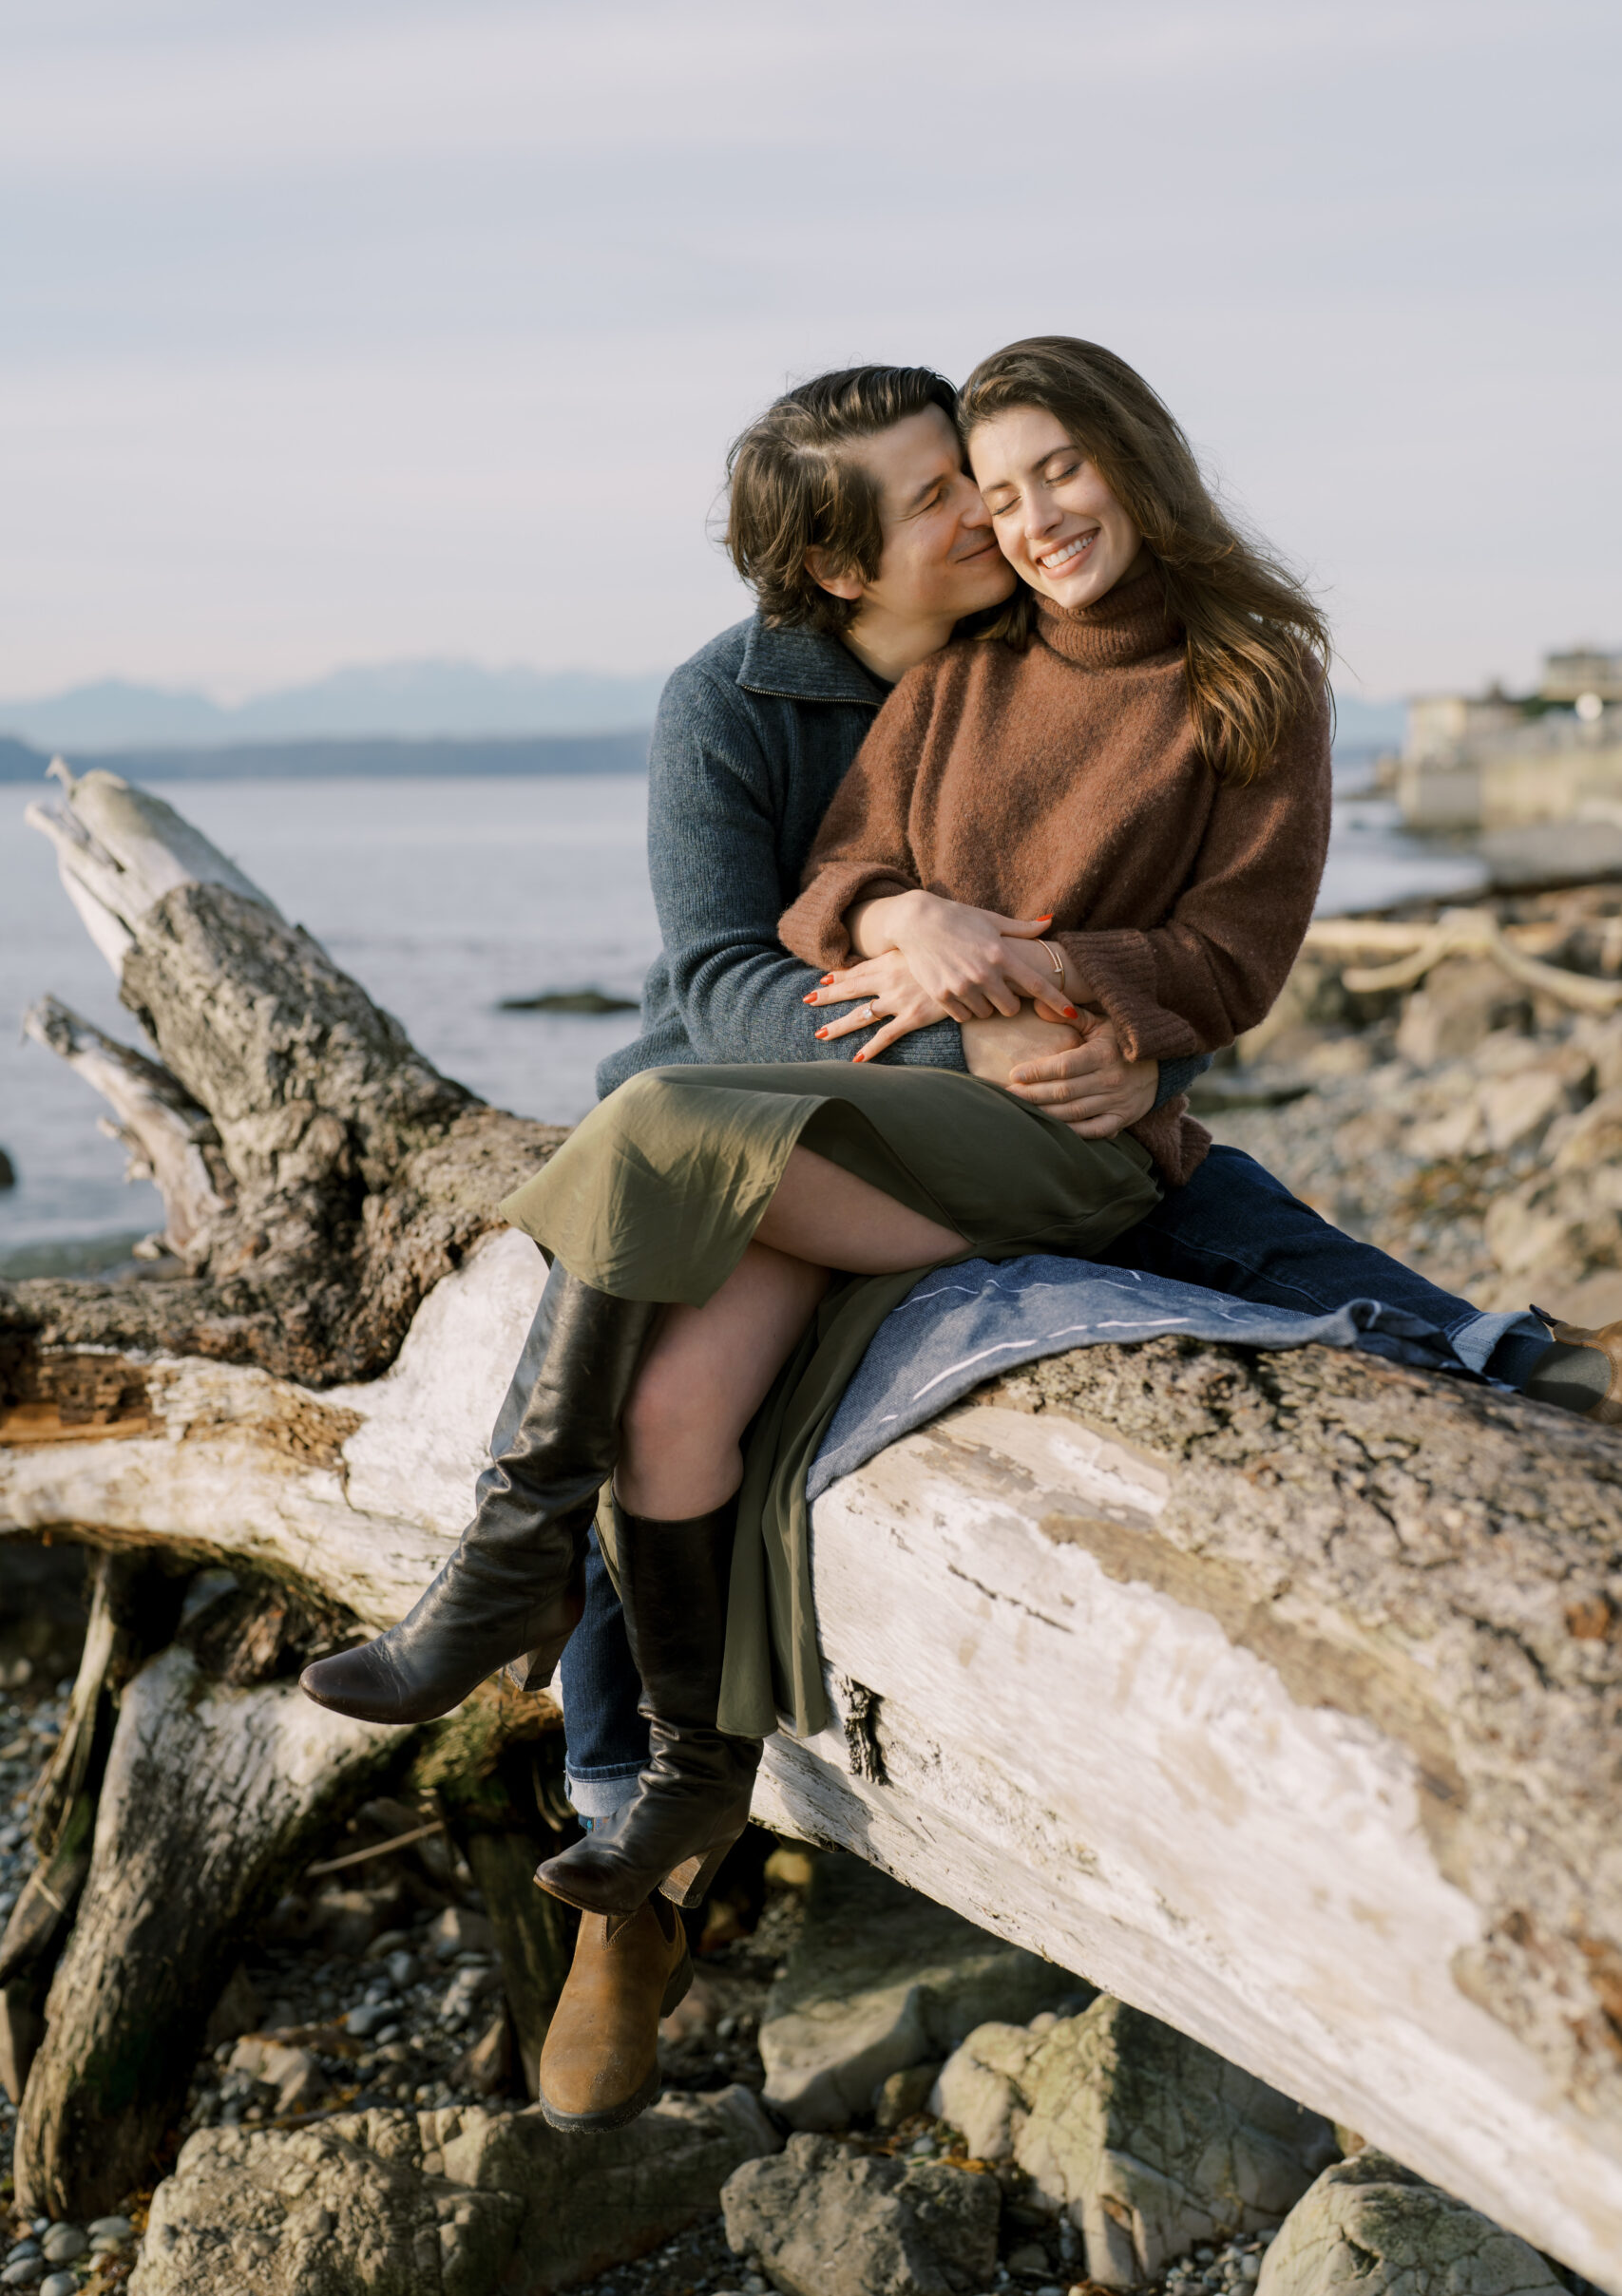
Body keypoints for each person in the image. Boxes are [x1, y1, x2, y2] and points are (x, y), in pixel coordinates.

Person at [301, 349, 1618, 2136]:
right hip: (851, 1109)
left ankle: (505, 1577)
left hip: (1036, 1124)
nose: (1011, 520)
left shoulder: (1246, 676)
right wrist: (911, 921)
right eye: (970, 499)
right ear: (855, 562)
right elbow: (755, 941)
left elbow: (1229, 964)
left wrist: (1062, 989)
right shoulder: (821, 696)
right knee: (677, 1416)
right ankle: (670, 1798)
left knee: (661, 1144)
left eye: (1034, 475)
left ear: (1134, 460)